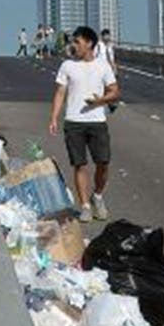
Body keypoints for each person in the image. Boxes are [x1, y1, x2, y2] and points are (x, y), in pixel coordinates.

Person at [48, 26, 119, 223]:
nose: (74, 45)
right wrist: (54, 117)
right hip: (74, 122)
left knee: (103, 163)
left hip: (97, 121)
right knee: (79, 165)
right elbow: (60, 93)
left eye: (77, 42)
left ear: (89, 44)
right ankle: (85, 206)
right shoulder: (67, 66)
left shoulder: (103, 66)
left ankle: (97, 196)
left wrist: (100, 101)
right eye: (73, 41)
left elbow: (115, 91)